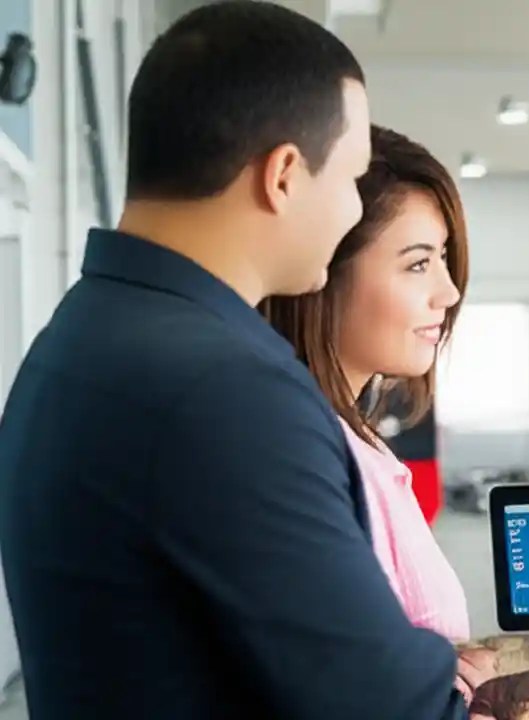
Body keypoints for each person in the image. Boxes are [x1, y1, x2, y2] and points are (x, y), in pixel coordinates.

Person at [0, 3, 456, 718]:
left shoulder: (77, 338)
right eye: (349, 179)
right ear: (283, 175)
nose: (349, 212)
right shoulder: (228, 389)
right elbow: (383, 701)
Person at [259, 124, 529, 717]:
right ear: (325, 266)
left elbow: (408, 661)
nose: (449, 292)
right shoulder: (301, 459)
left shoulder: (360, 447)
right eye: (418, 264)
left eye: (444, 261)